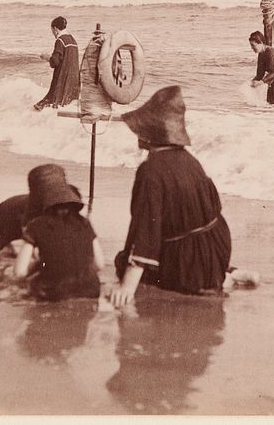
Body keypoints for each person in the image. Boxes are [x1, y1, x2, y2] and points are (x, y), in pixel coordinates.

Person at [109, 86, 256, 307]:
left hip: (190, 267)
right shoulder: (190, 161)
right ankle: (225, 273)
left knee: (122, 262)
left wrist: (127, 286)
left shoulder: (150, 170)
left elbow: (146, 230)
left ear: (150, 133)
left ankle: (223, 279)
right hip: (217, 250)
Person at [14, 164, 104, 301]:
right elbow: (99, 264)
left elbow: (19, 272)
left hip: (54, 294)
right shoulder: (85, 223)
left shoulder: (37, 225)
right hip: (91, 292)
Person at [34, 16, 80, 110]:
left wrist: (46, 57)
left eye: (51, 30)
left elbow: (55, 62)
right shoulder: (73, 40)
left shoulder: (60, 41)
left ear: (55, 29)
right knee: (68, 104)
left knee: (45, 104)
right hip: (74, 79)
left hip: (62, 78)